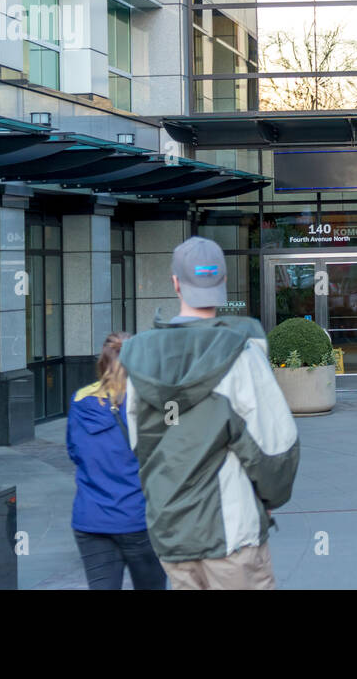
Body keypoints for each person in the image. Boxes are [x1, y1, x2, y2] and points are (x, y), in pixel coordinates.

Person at [120, 237, 299, 590]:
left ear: (175, 283)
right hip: (230, 537)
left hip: (171, 535)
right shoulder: (239, 353)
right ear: (222, 285)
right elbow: (275, 448)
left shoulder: (138, 358)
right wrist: (269, 500)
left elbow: (140, 445)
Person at [66, 332, 167, 590]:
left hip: (91, 519)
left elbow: (75, 452)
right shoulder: (153, 400)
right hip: (138, 518)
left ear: (102, 360)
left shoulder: (80, 399)